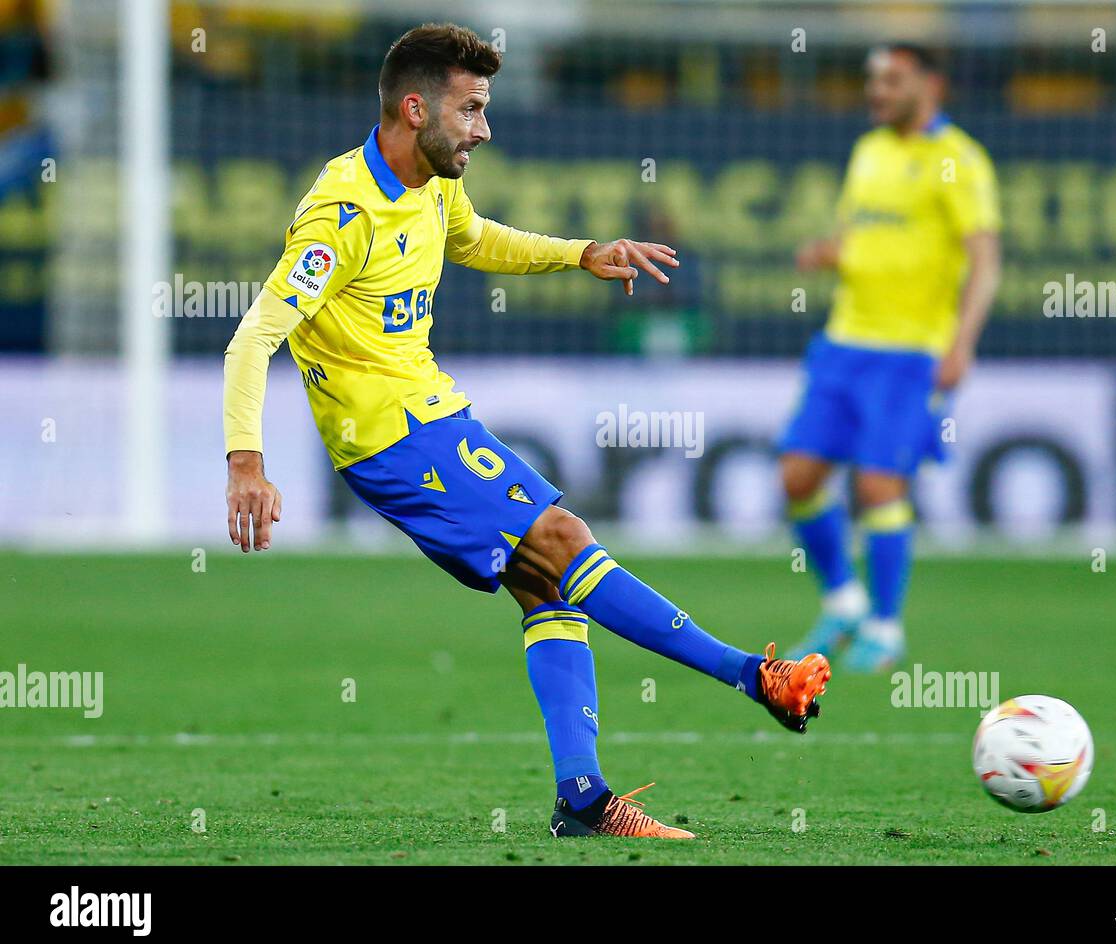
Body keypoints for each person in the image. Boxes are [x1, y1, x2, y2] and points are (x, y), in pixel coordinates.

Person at [222, 23, 830, 840]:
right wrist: (247, 465)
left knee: (546, 588)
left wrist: (582, 253)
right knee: (564, 537)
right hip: (391, 438)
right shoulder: (339, 214)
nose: (484, 128)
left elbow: (473, 239)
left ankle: (582, 800)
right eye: (471, 109)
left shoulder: (432, 184)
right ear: (414, 108)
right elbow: (254, 337)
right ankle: (755, 678)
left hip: (430, 412)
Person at [781, 44, 1002, 671]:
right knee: (797, 476)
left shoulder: (959, 160)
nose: (877, 90)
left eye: (892, 79)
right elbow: (864, 235)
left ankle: (886, 625)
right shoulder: (869, 150)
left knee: (879, 482)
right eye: (872, 77)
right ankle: (844, 600)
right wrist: (833, 253)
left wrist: (962, 342)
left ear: (931, 85)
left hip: (910, 353)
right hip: (844, 341)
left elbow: (984, 258)